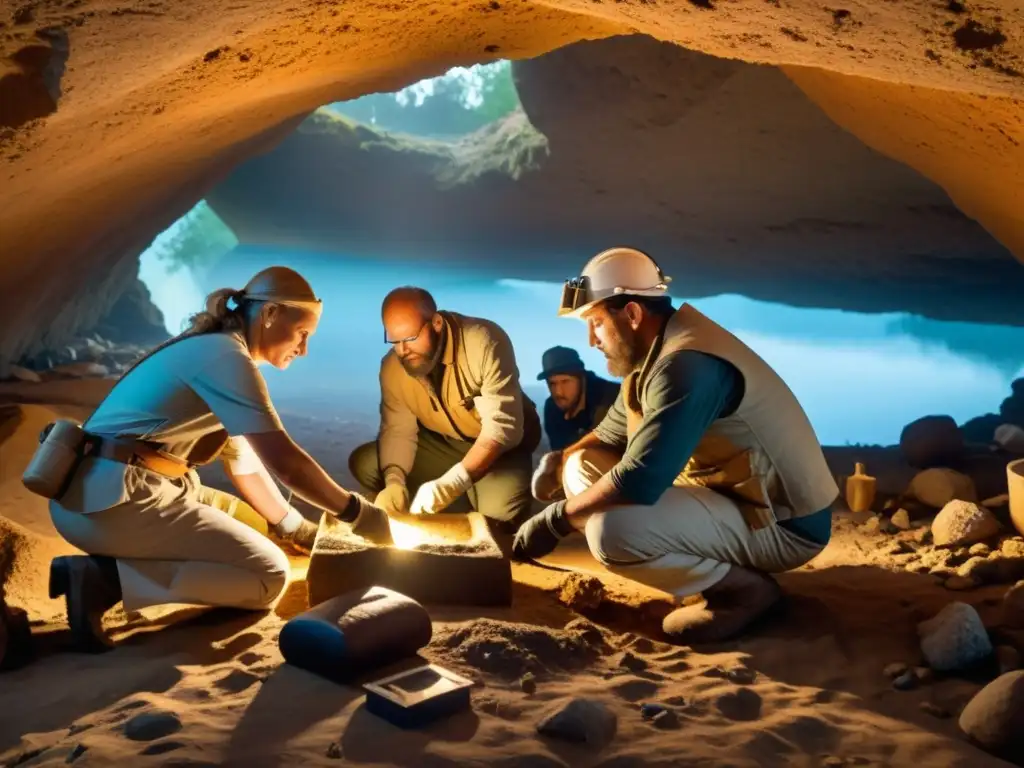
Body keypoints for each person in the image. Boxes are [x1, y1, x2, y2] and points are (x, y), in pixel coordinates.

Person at [41, 267, 390, 652]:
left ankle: (113, 571)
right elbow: (286, 462)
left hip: (111, 490)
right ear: (270, 314)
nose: (304, 349)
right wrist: (357, 512)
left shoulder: (216, 349)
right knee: (268, 575)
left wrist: (295, 527)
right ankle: (104, 580)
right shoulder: (225, 357)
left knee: (260, 530)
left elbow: (244, 461)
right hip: (113, 505)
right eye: (302, 334)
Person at [516, 247, 838, 644]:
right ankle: (692, 566)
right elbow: (611, 433)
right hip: (730, 498)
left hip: (782, 523)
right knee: (580, 463)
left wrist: (554, 520)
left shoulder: (686, 365)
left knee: (611, 531)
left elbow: (640, 480)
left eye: (596, 322)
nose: (591, 340)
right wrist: (558, 458)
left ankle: (741, 592)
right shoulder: (651, 357)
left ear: (632, 314)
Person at [349, 286, 541, 528]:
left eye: (410, 338)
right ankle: (451, 500)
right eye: (394, 340)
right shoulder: (393, 366)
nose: (402, 350)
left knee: (500, 520)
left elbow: (502, 429)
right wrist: (394, 482)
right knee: (367, 463)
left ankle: (464, 495)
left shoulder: (483, 340)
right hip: (445, 445)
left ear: (437, 323)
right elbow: (398, 429)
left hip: (500, 450)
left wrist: (452, 484)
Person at [532, 346, 618, 502]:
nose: (558, 391)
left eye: (565, 382)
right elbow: (559, 453)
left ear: (581, 378)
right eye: (552, 384)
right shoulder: (552, 408)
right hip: (579, 479)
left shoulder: (610, 398)